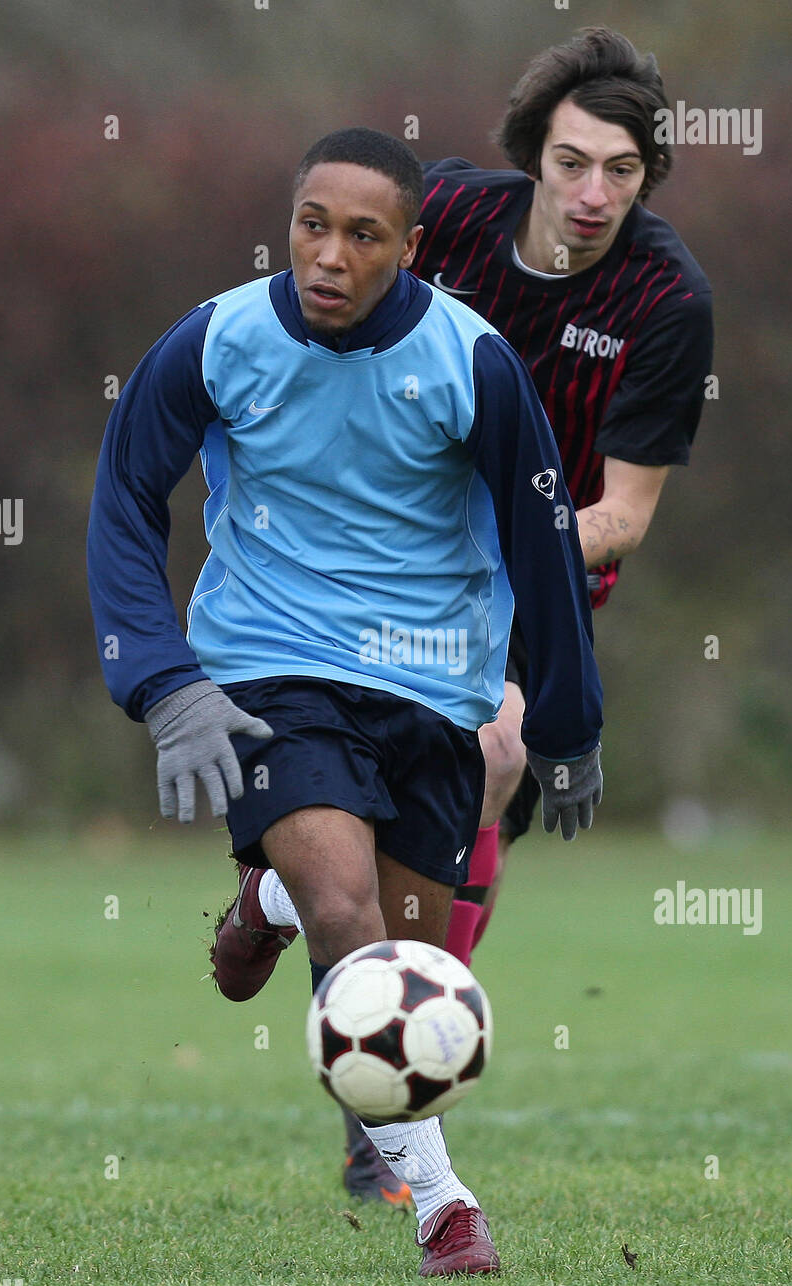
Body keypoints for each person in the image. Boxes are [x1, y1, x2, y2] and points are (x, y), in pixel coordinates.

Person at [87, 126, 603, 1277]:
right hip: (272, 673)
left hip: (431, 688)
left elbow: (543, 538)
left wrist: (567, 726)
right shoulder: (219, 339)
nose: (325, 255)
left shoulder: (469, 362)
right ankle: (441, 1204)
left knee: (405, 967)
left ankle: (260, 901)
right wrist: (166, 682)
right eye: (309, 225)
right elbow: (125, 495)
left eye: (360, 235)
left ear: (409, 248)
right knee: (348, 924)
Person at [255, 28, 715, 1199]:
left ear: (648, 178)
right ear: (533, 157)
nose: (592, 192)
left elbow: (622, 513)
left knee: (494, 750)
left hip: (528, 583)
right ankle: (285, 904)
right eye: (571, 162)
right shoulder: (443, 215)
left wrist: (506, 539)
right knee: (338, 789)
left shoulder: (666, 299)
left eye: (620, 169)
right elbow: (308, 319)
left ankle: (391, 1072)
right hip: (368, 562)